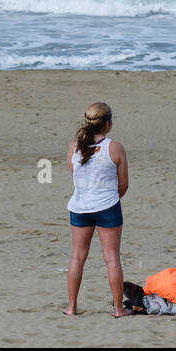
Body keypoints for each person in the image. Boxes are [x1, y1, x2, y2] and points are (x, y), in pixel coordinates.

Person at [64, 102, 130, 317]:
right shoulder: (114, 147)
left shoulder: (75, 145)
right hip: (107, 207)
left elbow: (77, 176)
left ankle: (72, 307)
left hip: (80, 206)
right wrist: (109, 198)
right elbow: (123, 184)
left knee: (77, 257)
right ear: (108, 124)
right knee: (112, 258)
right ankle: (119, 309)